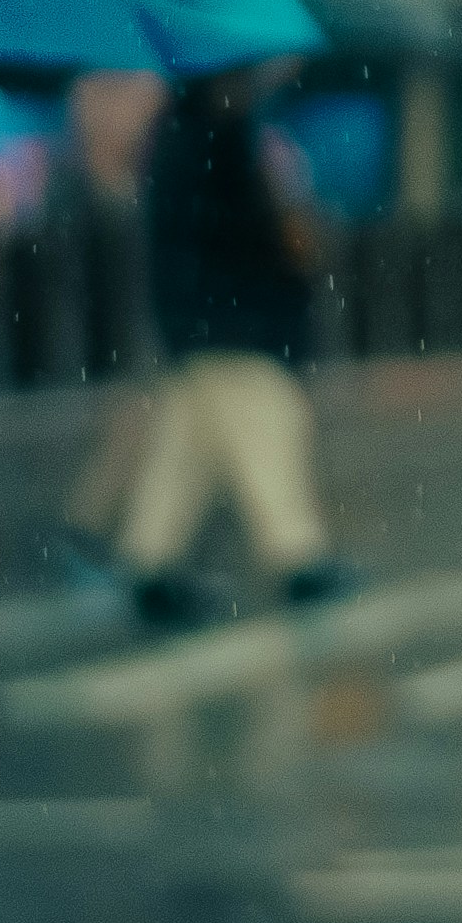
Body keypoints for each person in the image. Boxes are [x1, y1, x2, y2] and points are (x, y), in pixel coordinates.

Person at [114, 58, 344, 624]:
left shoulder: (185, 134)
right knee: (270, 423)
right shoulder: (213, 138)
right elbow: (244, 231)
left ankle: (149, 565)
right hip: (232, 322)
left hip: (202, 321)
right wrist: (284, 233)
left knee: (188, 444)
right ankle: (299, 558)